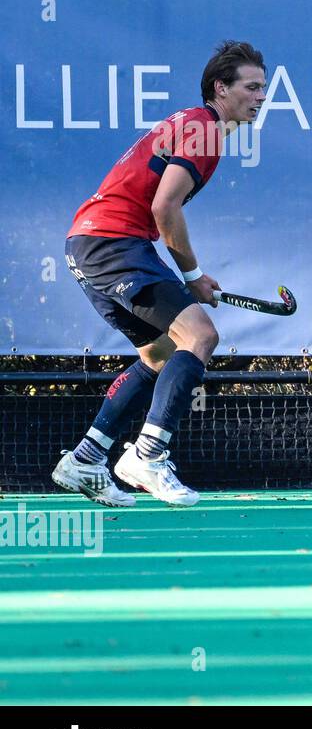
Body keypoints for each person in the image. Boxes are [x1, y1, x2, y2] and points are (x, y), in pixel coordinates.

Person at [55, 41, 267, 508]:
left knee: (159, 353)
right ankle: (148, 454)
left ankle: (87, 457)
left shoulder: (194, 122)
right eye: (251, 87)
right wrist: (192, 275)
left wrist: (192, 274)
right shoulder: (208, 130)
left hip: (86, 244)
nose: (260, 97)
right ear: (221, 88)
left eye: (264, 88)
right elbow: (164, 206)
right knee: (201, 336)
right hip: (115, 242)